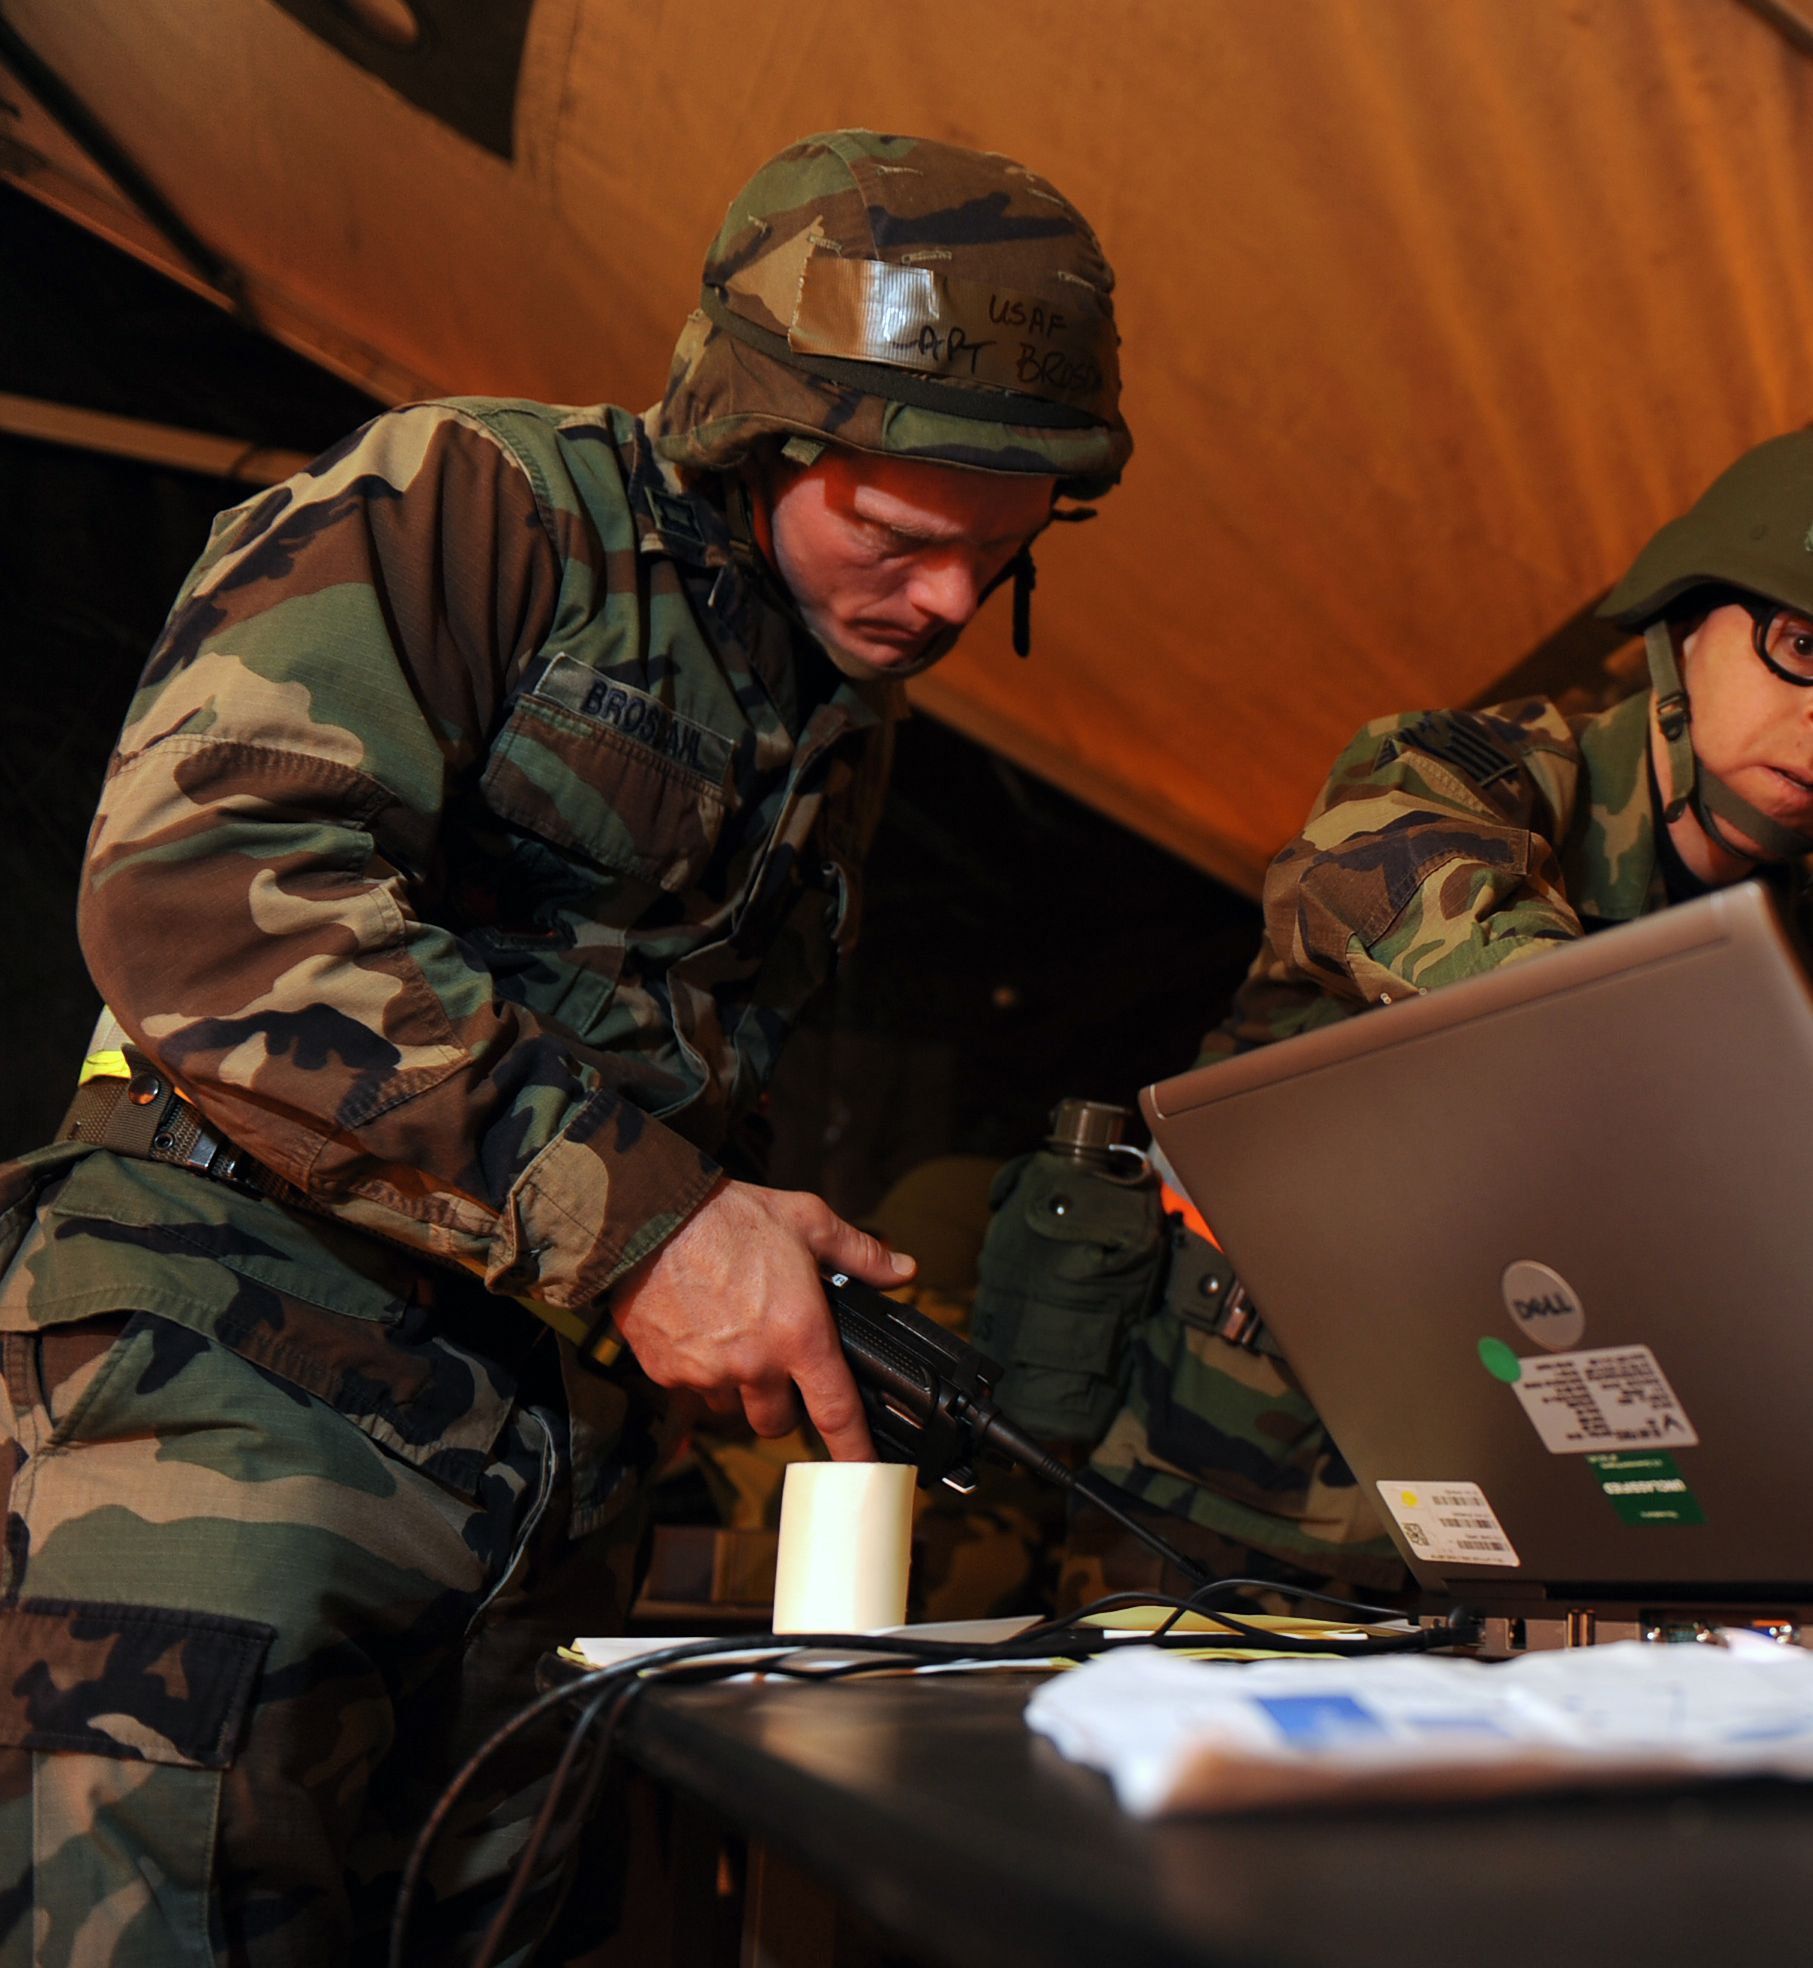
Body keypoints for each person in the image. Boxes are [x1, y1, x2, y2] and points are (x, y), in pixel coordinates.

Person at [0, 130, 1129, 1958]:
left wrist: (729, 1244)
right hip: (238, 1411)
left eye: (995, 560)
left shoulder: (831, 704)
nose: (940, 607)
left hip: (543, 1493)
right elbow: (199, 896)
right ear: (758, 428)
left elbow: (652, 1059)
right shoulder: (474, 505)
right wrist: (654, 1227)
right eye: (905, 537)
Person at [970, 431, 1813, 1598]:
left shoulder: (1810, 953)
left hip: (1516, 1521)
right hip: (1212, 1495)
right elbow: (1416, 910)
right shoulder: (1471, 775)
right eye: (1801, 646)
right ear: (1683, 627)